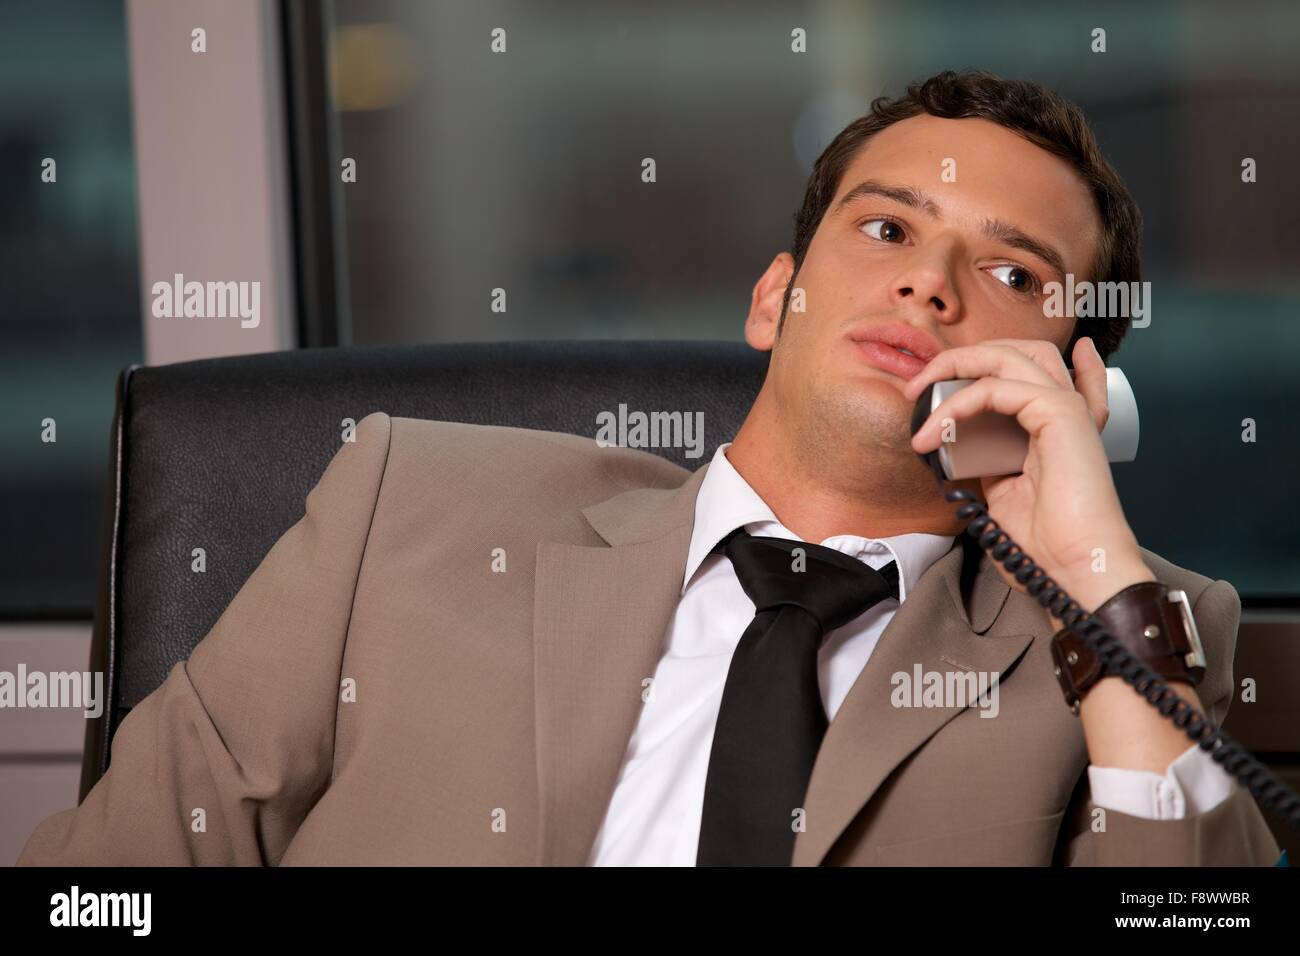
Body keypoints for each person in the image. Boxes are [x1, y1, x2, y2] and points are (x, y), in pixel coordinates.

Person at [19, 69, 1280, 866]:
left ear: (1076, 385)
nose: (927, 282)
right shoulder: (406, 503)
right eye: (886, 226)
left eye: (1011, 274)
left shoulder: (1127, 631)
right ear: (773, 294)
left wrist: (1091, 570)